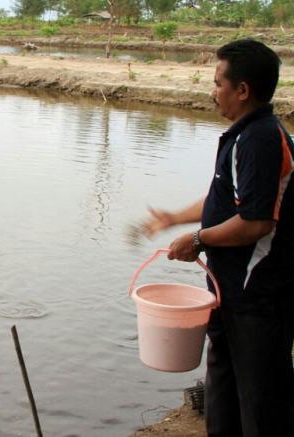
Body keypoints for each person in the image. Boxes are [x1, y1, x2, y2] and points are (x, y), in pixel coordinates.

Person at [144, 39, 294, 437]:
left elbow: (256, 221)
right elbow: (223, 199)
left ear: (242, 90)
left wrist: (198, 240)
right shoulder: (243, 135)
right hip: (228, 291)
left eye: (217, 83)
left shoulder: (260, 138)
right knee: (223, 390)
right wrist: (176, 218)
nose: (213, 92)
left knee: (261, 402)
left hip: (258, 296)